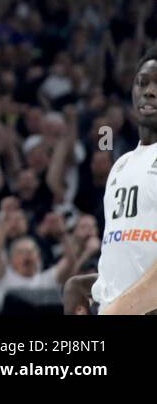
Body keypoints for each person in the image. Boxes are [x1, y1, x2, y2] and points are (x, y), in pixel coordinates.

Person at [94, 51, 157, 314]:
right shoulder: (121, 165)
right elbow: (125, 260)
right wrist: (90, 288)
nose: (149, 92)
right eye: (142, 82)